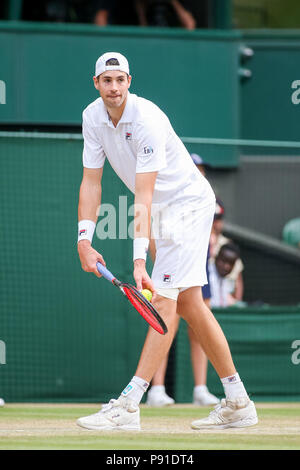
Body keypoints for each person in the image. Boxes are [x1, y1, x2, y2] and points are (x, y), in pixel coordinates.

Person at [76, 52, 258, 431]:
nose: (113, 87)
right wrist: (84, 239)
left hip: (187, 206)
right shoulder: (92, 117)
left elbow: (142, 196)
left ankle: (128, 405)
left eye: (120, 80)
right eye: (106, 80)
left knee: (164, 298)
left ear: (130, 81)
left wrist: (140, 262)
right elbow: (91, 182)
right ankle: (238, 401)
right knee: (189, 302)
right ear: (96, 83)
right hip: (162, 211)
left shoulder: (147, 120)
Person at [146, 153, 219, 407]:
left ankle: (200, 389)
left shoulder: (206, 200)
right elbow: (152, 234)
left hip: (199, 270)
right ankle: (156, 389)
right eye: (196, 168)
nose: (200, 173)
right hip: (172, 269)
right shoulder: (167, 201)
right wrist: (160, 266)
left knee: (200, 327)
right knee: (164, 325)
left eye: (202, 169)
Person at [210, 198, 244, 302]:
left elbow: (238, 282)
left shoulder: (228, 245)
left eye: (218, 219)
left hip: (225, 300)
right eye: (212, 220)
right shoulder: (197, 243)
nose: (215, 224)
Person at [209, 243, 241, 308]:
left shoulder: (226, 280)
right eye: (223, 261)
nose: (226, 267)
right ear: (216, 258)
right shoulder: (206, 277)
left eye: (231, 263)